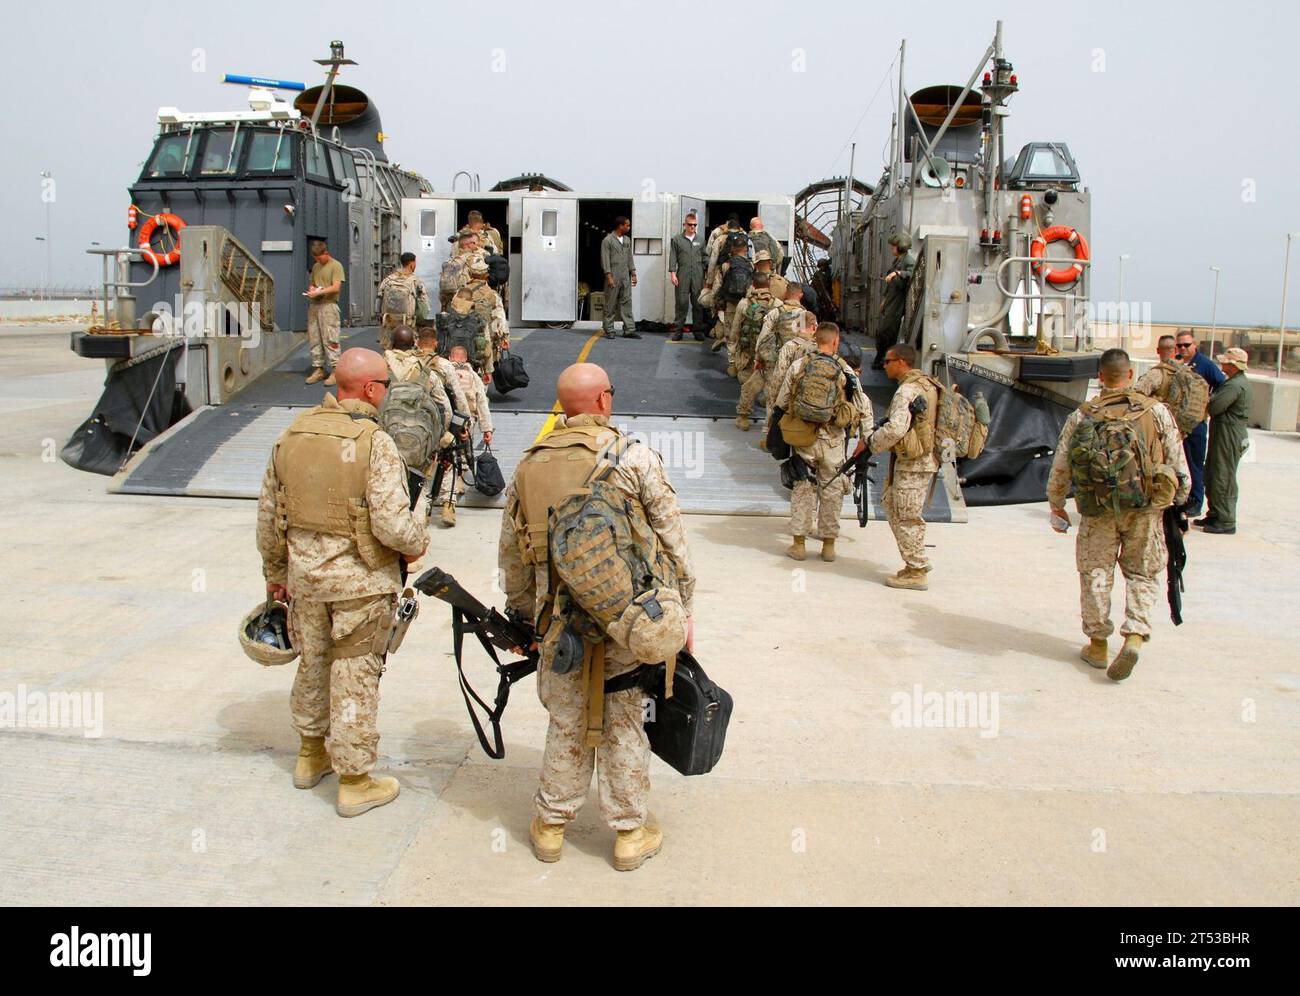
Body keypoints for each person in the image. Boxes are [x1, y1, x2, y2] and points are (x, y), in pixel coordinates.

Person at [498, 362, 696, 870]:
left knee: (566, 721)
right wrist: (681, 617)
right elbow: (673, 546)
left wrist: (523, 619)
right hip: (628, 622)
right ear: (605, 400)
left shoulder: (528, 466)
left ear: (564, 407)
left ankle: (550, 826)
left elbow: (514, 557)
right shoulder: (634, 458)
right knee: (626, 720)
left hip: (559, 624)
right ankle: (629, 832)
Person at [256, 348, 429, 816]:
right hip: (361, 586)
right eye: (386, 387)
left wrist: (277, 575)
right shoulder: (374, 443)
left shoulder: (292, 434)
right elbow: (393, 526)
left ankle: (311, 758)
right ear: (372, 390)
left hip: (305, 582)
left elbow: (270, 517)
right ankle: (354, 779)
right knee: (353, 678)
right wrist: (418, 540)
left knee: (313, 664)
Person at [1046, 348, 1189, 681]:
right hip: (1145, 508)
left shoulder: (1083, 415)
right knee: (1142, 572)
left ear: (1100, 377)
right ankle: (1135, 634)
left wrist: (1057, 504)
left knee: (1095, 572)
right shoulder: (1157, 413)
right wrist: (1177, 498)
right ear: (1130, 375)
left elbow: (1062, 464)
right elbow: (1178, 464)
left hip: (1098, 510)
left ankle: (1097, 644)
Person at [776, 323, 872, 563]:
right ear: (836, 342)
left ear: (815, 339)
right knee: (832, 489)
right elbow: (863, 407)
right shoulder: (845, 370)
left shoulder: (800, 366)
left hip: (804, 437)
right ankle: (828, 546)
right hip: (833, 439)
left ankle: (799, 544)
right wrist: (866, 439)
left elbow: (781, 400)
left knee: (803, 486)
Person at [861, 343, 939, 590]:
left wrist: (871, 443)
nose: (883, 366)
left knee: (906, 516)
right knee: (892, 505)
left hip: (913, 464)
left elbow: (896, 428)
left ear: (902, 362)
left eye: (887, 361)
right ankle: (912, 563)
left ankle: (917, 569)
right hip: (920, 461)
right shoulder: (928, 384)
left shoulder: (906, 391)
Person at [434, 344, 494, 528]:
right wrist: (487, 429)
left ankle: (435, 499)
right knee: (462, 454)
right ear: (466, 359)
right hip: (466, 420)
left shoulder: (440, 371)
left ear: (450, 357)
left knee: (441, 458)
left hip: (442, 423)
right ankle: (454, 491)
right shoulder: (473, 376)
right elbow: (482, 402)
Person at [739, 282, 809, 434]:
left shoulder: (776, 312)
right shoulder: (805, 315)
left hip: (773, 358)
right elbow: (806, 339)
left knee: (763, 390)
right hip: (795, 360)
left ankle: (748, 419)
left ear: (785, 294)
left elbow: (763, 336)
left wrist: (758, 357)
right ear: (801, 295)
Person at [1174, 330, 1226, 517]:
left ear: (1194, 345)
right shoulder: (1176, 364)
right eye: (1179, 345)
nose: (1182, 349)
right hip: (1177, 424)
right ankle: (1179, 499)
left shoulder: (1205, 365)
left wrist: (1208, 402)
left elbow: (1222, 384)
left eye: (1186, 345)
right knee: (1178, 463)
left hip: (1196, 424)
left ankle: (1195, 501)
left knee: (1195, 463)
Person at [1201, 347, 1252, 535]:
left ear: (1233, 365)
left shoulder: (1234, 386)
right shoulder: (1233, 383)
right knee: (1213, 472)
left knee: (1223, 475)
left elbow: (1215, 406)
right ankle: (1216, 513)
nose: (1222, 364)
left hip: (1229, 434)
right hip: (1224, 433)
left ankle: (1226, 519)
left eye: (1226, 362)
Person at [448, 258, 509, 381]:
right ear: (487, 275)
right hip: (483, 337)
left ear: (470, 274)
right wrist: (504, 337)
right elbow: (500, 318)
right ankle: (484, 380)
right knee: (486, 361)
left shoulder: (460, 293)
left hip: (461, 336)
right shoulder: (492, 295)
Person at [873, 232, 915, 370]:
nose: (892, 249)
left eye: (893, 247)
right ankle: (882, 359)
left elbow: (913, 273)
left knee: (887, 333)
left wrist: (898, 273)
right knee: (882, 333)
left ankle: (884, 360)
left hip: (898, 302)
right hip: (891, 300)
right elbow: (890, 285)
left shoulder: (908, 261)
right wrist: (884, 300)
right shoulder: (898, 261)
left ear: (901, 247)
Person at [305, 240, 345, 385]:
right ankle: (318, 368)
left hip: (329, 305)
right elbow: (313, 283)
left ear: (326, 253)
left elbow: (336, 287)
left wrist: (320, 292)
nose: (318, 260)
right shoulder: (316, 266)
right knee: (315, 337)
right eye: (315, 258)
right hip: (315, 305)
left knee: (330, 337)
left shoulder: (336, 266)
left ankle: (335, 370)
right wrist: (312, 290)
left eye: (320, 257)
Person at [728, 271, 777, 388]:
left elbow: (735, 329)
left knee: (743, 379)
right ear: (768, 285)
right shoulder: (777, 304)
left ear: (753, 285)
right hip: (768, 352)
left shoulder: (744, 303)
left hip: (748, 350)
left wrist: (733, 351)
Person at [377, 253, 429, 350]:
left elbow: (378, 302)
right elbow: (424, 308)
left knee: (389, 353)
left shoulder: (387, 280)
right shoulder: (416, 282)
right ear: (412, 264)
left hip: (389, 325)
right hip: (408, 326)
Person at [600, 216, 640, 339]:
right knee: (610, 304)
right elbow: (605, 259)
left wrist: (633, 273)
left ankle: (629, 330)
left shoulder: (627, 240)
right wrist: (609, 276)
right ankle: (609, 330)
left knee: (627, 303)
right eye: (627, 225)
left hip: (625, 277)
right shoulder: (608, 241)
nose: (629, 227)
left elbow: (629, 258)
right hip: (613, 275)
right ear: (620, 226)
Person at [668, 213, 707, 341]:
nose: (692, 227)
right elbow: (673, 258)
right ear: (685, 225)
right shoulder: (677, 240)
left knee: (698, 304)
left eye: (695, 225)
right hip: (683, 274)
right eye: (690, 225)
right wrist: (673, 273)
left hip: (698, 275)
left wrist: (708, 276)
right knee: (681, 303)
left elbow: (705, 258)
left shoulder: (701, 240)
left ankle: (698, 331)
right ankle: (678, 331)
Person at [440, 231, 484, 311]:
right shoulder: (472, 259)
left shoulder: (451, 259)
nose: (476, 245)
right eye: (473, 242)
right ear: (469, 244)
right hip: (464, 301)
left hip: (449, 302)